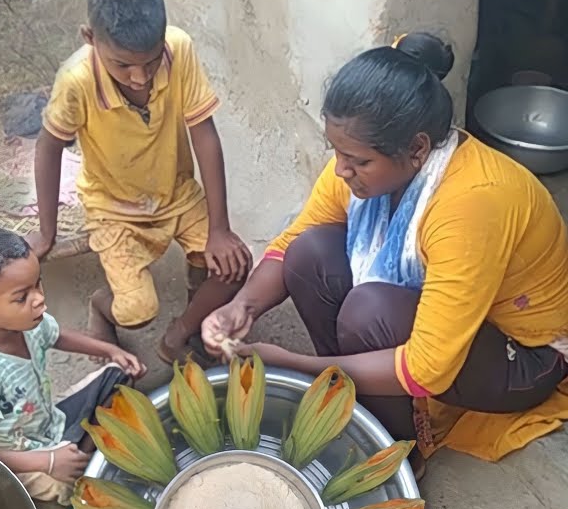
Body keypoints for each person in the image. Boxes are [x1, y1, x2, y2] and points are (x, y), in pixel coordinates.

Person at [201, 33, 568, 476]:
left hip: (524, 356)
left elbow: (429, 368)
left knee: (368, 311)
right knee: (309, 253)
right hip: (446, 320)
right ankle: (362, 403)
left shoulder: (472, 202)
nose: (341, 170)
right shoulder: (364, 161)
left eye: (356, 161)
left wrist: (302, 367)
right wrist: (242, 305)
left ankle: (400, 452)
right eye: (336, 153)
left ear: (416, 149)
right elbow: (290, 243)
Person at [26, 0, 252, 365]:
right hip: (113, 208)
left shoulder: (178, 48)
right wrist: (46, 231)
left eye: (149, 62)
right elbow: (48, 148)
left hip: (178, 193)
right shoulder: (76, 81)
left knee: (234, 265)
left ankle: (185, 329)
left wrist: (219, 229)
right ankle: (101, 306)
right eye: (122, 65)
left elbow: (205, 136)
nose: (139, 77)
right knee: (137, 310)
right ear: (90, 38)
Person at [0, 224, 144, 504]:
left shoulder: (28, 321)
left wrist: (110, 350)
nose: (40, 300)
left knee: (119, 374)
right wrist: (48, 461)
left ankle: (74, 454)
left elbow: (58, 336)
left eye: (38, 283)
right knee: (68, 488)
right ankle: (73, 459)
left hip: (49, 421)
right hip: (23, 456)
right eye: (22, 297)